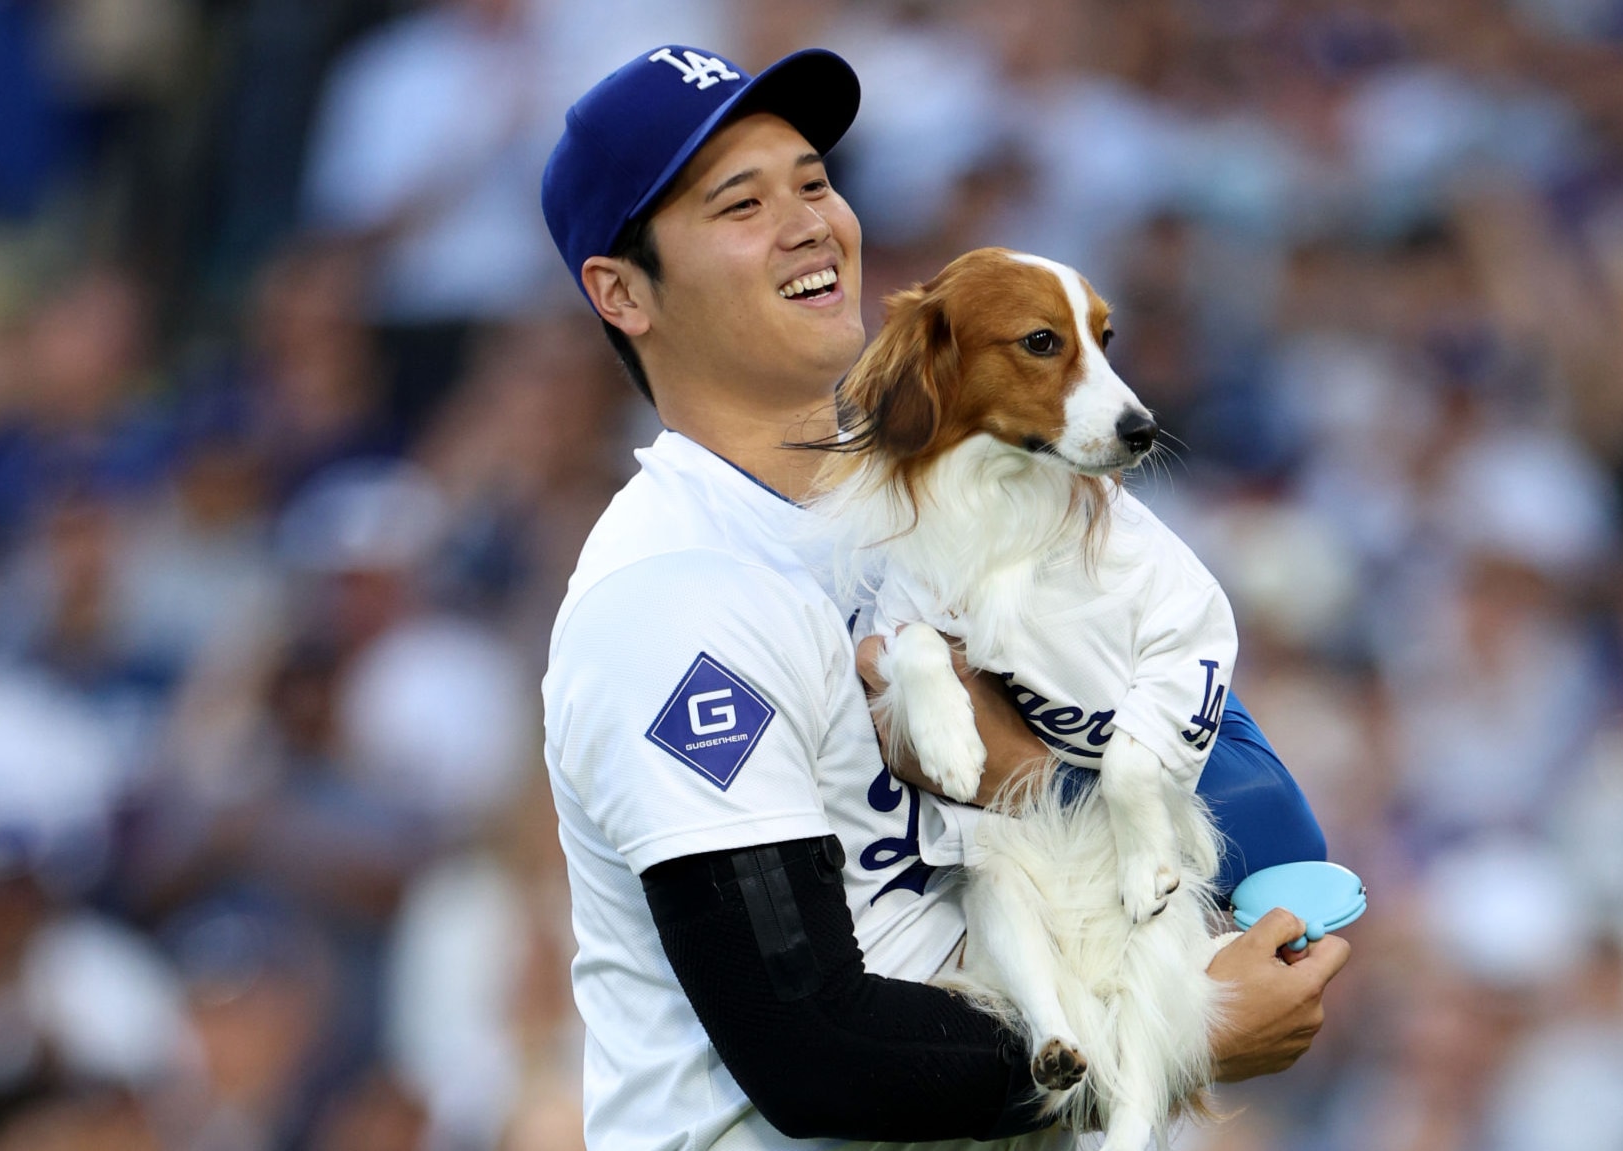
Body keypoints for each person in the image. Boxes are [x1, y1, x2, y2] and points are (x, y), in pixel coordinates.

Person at [536, 44, 1350, 1148]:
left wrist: (1030, 772)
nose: (809, 222)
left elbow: (1238, 795)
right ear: (621, 291)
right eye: (741, 202)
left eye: (815, 181)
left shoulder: (990, 464)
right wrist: (1175, 1034)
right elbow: (815, 1049)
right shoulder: (671, 596)